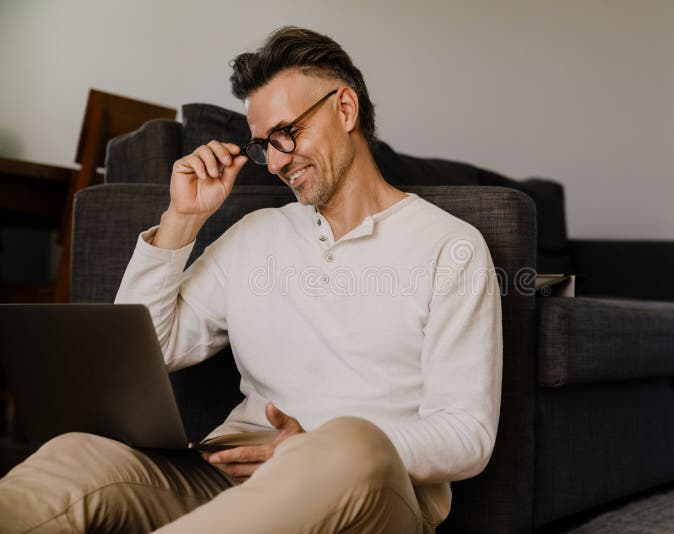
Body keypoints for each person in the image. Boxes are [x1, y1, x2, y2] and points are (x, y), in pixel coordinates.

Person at [0, 26, 502, 533]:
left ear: (345, 109)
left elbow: (467, 435)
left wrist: (315, 447)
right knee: (77, 454)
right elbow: (149, 351)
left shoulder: (450, 248)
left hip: (368, 489)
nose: (279, 161)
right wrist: (182, 218)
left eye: (287, 132)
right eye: (265, 145)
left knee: (352, 443)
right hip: (228, 475)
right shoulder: (257, 235)